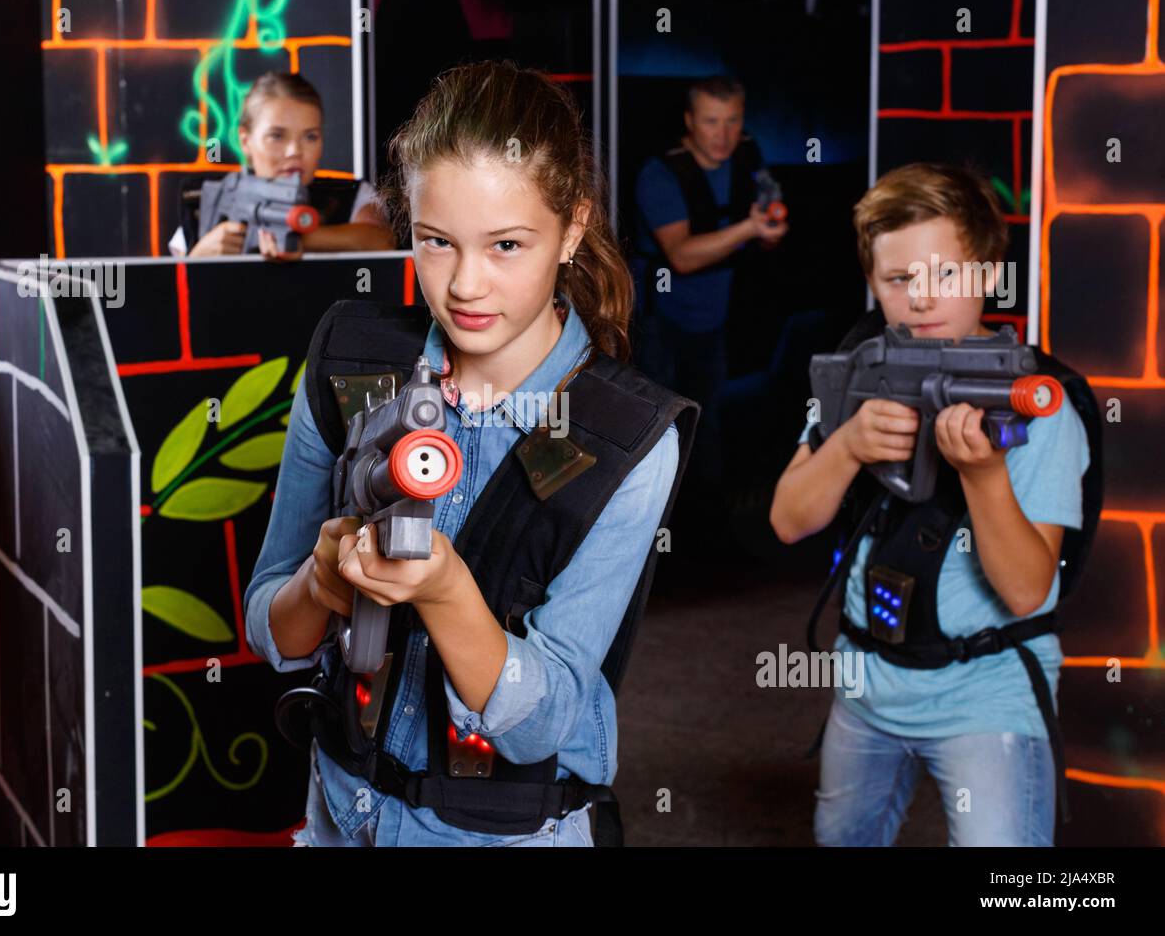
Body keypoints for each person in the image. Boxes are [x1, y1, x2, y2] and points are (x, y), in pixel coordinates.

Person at [242, 59, 698, 846]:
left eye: (507, 246)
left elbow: (543, 721)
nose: (465, 286)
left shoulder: (622, 439)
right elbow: (269, 629)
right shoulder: (349, 362)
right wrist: (321, 581)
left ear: (574, 228)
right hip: (339, 804)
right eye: (436, 242)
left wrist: (447, 591)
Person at [769, 163, 1091, 846]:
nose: (921, 299)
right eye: (898, 280)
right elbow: (788, 520)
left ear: (987, 274)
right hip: (868, 684)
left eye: (947, 274)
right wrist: (848, 443)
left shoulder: (1040, 403)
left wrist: (983, 476)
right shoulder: (865, 369)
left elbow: (1028, 589)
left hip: (987, 692)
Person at [632, 75, 787, 517]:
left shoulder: (748, 155)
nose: (723, 134)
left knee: (709, 420)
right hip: (660, 317)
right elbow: (680, 256)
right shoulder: (660, 173)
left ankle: (706, 525)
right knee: (658, 424)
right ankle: (651, 522)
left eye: (732, 121)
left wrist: (772, 225)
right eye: (711, 122)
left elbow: (770, 223)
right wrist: (751, 228)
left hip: (716, 313)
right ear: (690, 121)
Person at [168, 71, 396, 259]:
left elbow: (382, 241)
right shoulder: (203, 198)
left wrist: (300, 238)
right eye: (277, 136)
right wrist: (199, 258)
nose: (294, 151)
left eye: (310, 137)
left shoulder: (350, 196)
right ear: (245, 140)